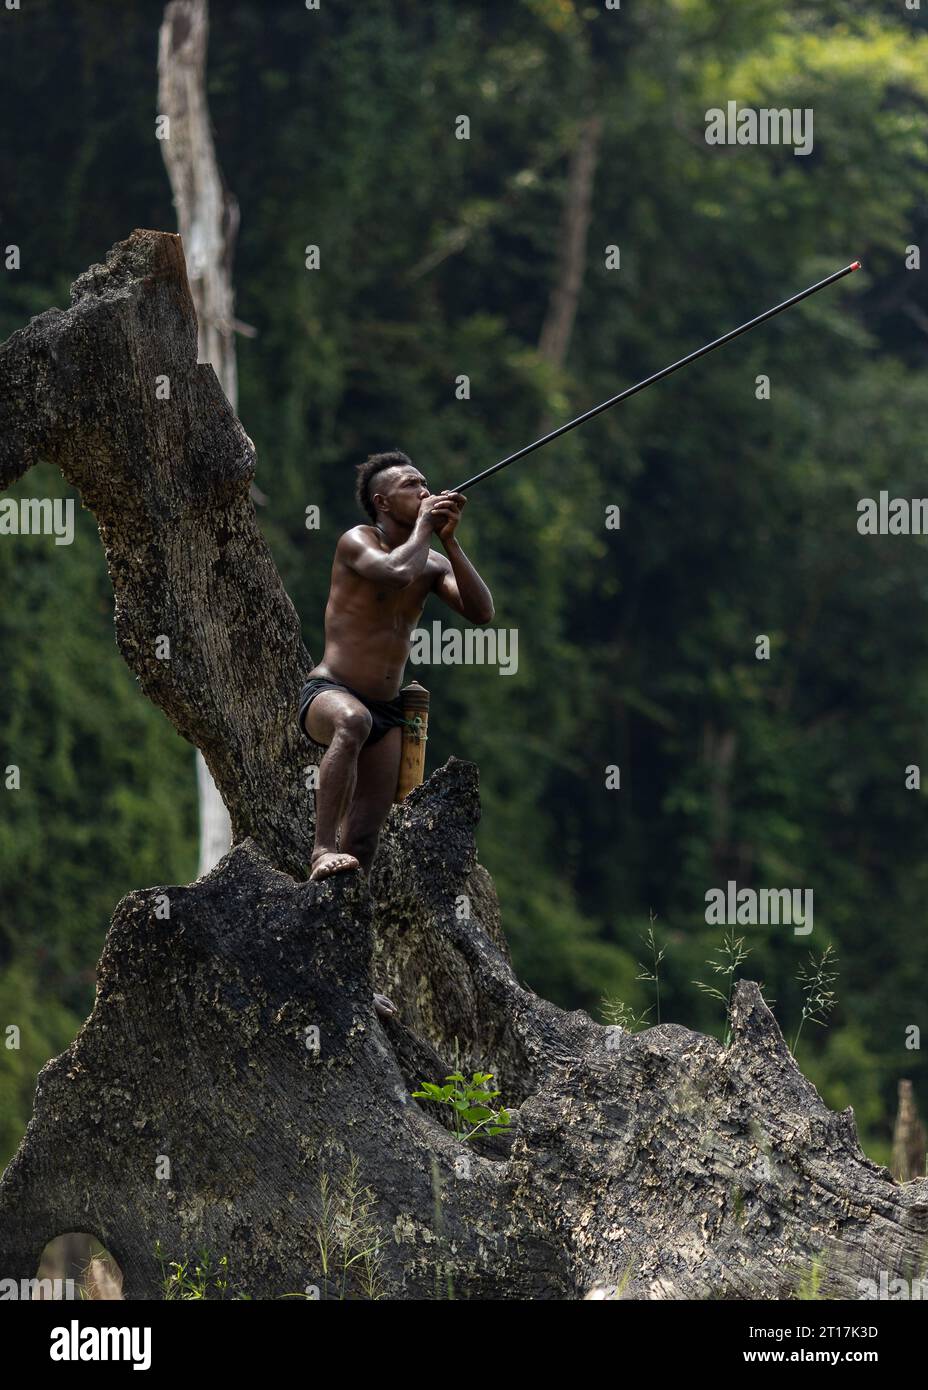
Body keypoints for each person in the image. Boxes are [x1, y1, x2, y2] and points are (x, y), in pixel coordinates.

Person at [299, 450, 494, 883]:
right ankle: (321, 850)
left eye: (425, 483)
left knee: (367, 838)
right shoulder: (358, 541)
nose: (424, 491)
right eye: (411, 485)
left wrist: (450, 542)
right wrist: (425, 525)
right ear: (382, 502)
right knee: (352, 721)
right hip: (332, 692)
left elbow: (481, 613)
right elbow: (393, 572)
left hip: (387, 712)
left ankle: (344, 913)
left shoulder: (432, 562)